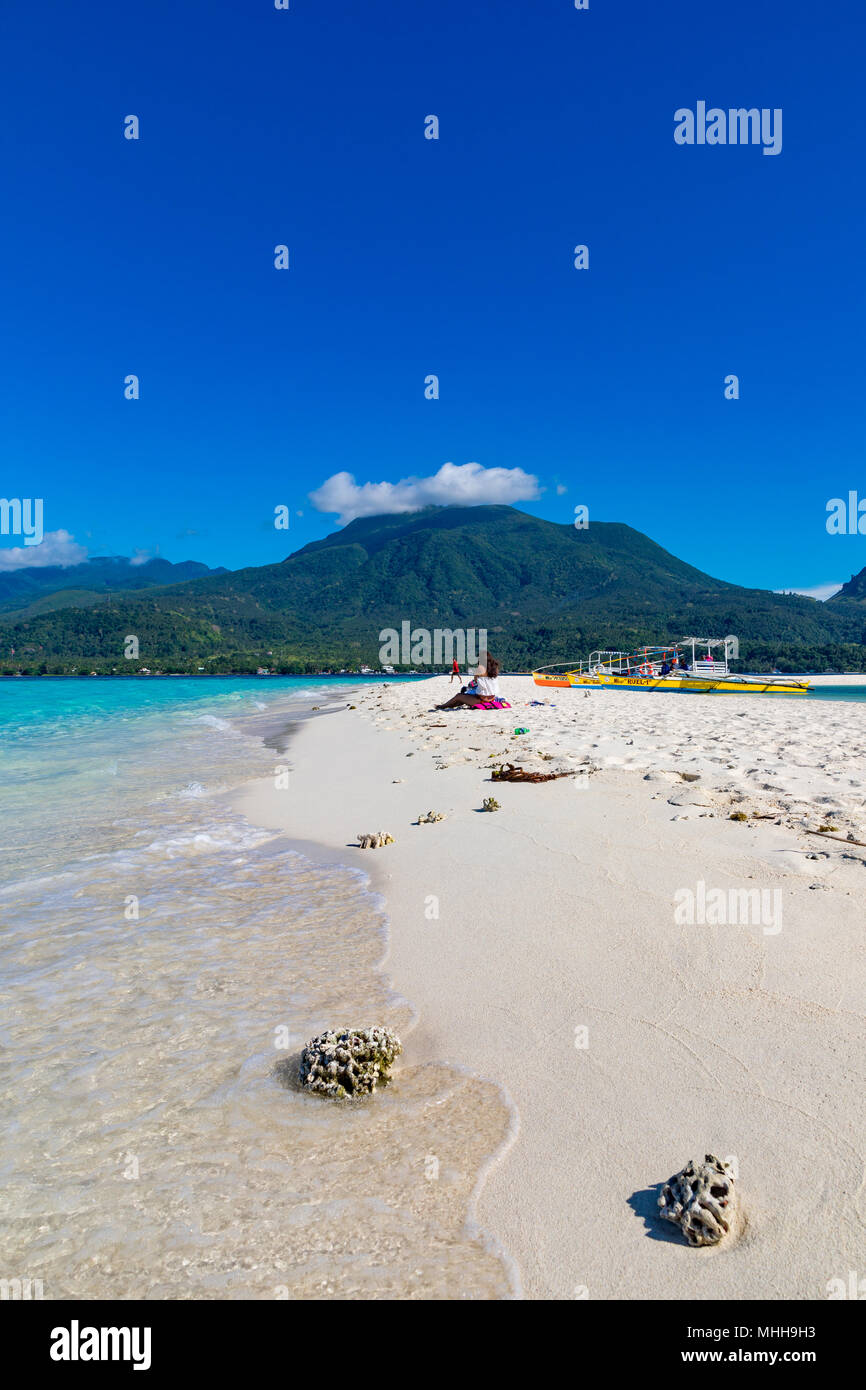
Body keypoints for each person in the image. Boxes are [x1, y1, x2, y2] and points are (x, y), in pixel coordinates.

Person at [436, 655, 511, 710]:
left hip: (481, 700)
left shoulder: (480, 669)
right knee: (462, 698)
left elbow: (475, 680)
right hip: (492, 698)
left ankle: (443, 706)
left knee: (459, 696)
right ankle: (446, 706)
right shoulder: (495, 670)